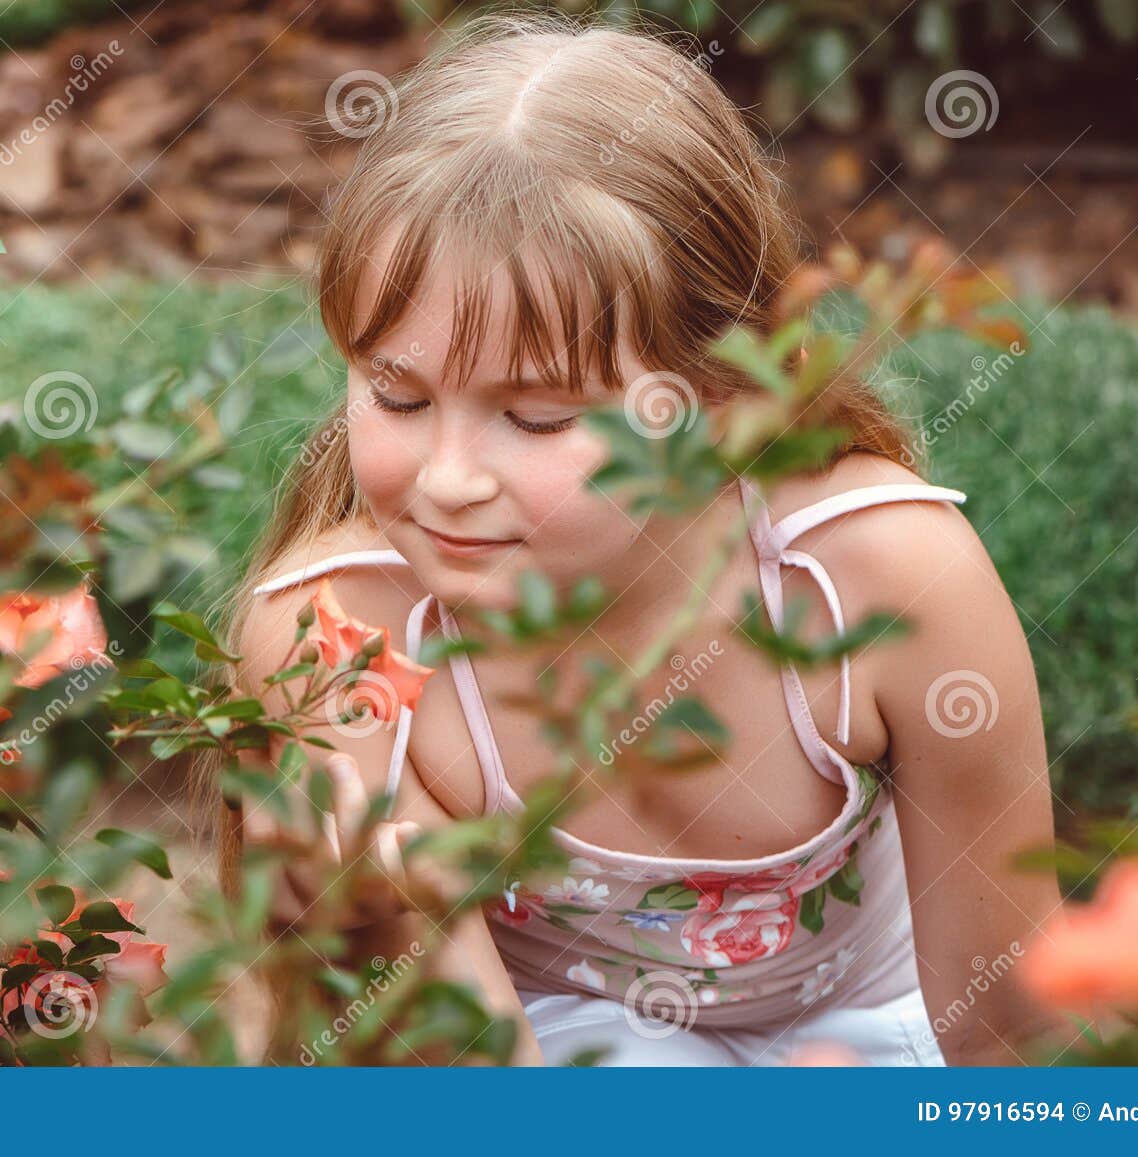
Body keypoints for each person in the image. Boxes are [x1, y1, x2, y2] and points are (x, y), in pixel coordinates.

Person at [210, 11, 1060, 1066]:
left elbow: (1012, 1028)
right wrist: (371, 892)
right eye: (397, 392)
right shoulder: (335, 639)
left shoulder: (877, 578)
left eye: (537, 417)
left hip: (876, 1037)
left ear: (713, 389)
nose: (448, 480)